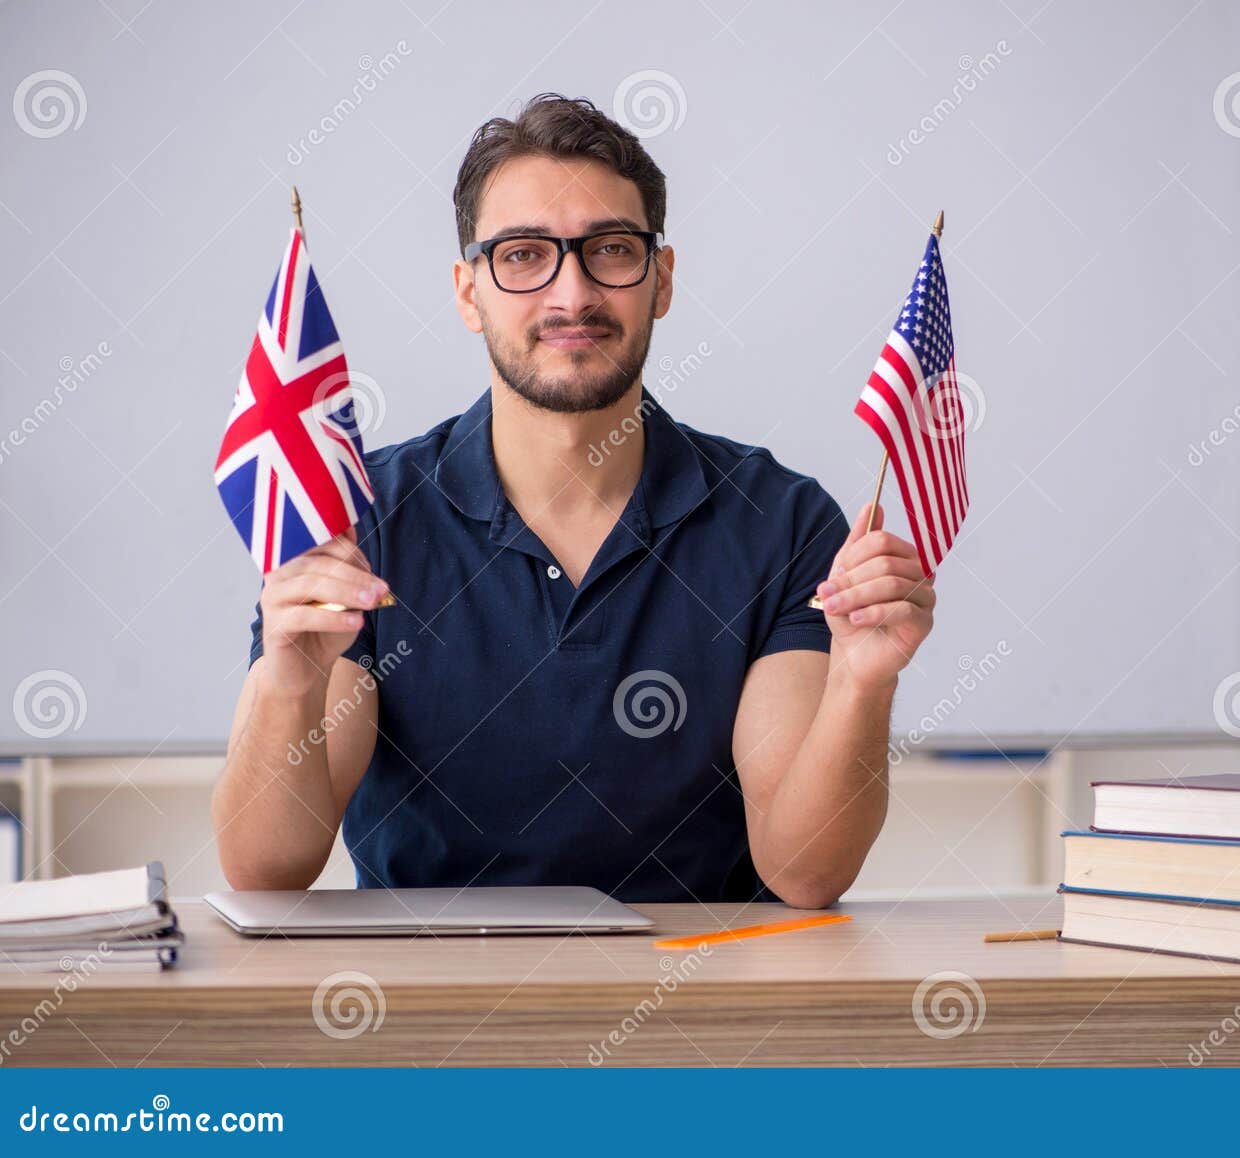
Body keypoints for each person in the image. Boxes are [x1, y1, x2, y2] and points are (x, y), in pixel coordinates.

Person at [212, 94, 936, 908]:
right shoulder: (355, 523)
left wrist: (862, 684)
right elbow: (267, 871)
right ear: (468, 292)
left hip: (703, 979)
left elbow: (804, 873)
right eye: (523, 255)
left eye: (611, 250)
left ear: (660, 280)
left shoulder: (783, 523)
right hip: (426, 982)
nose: (572, 294)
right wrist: (286, 685)